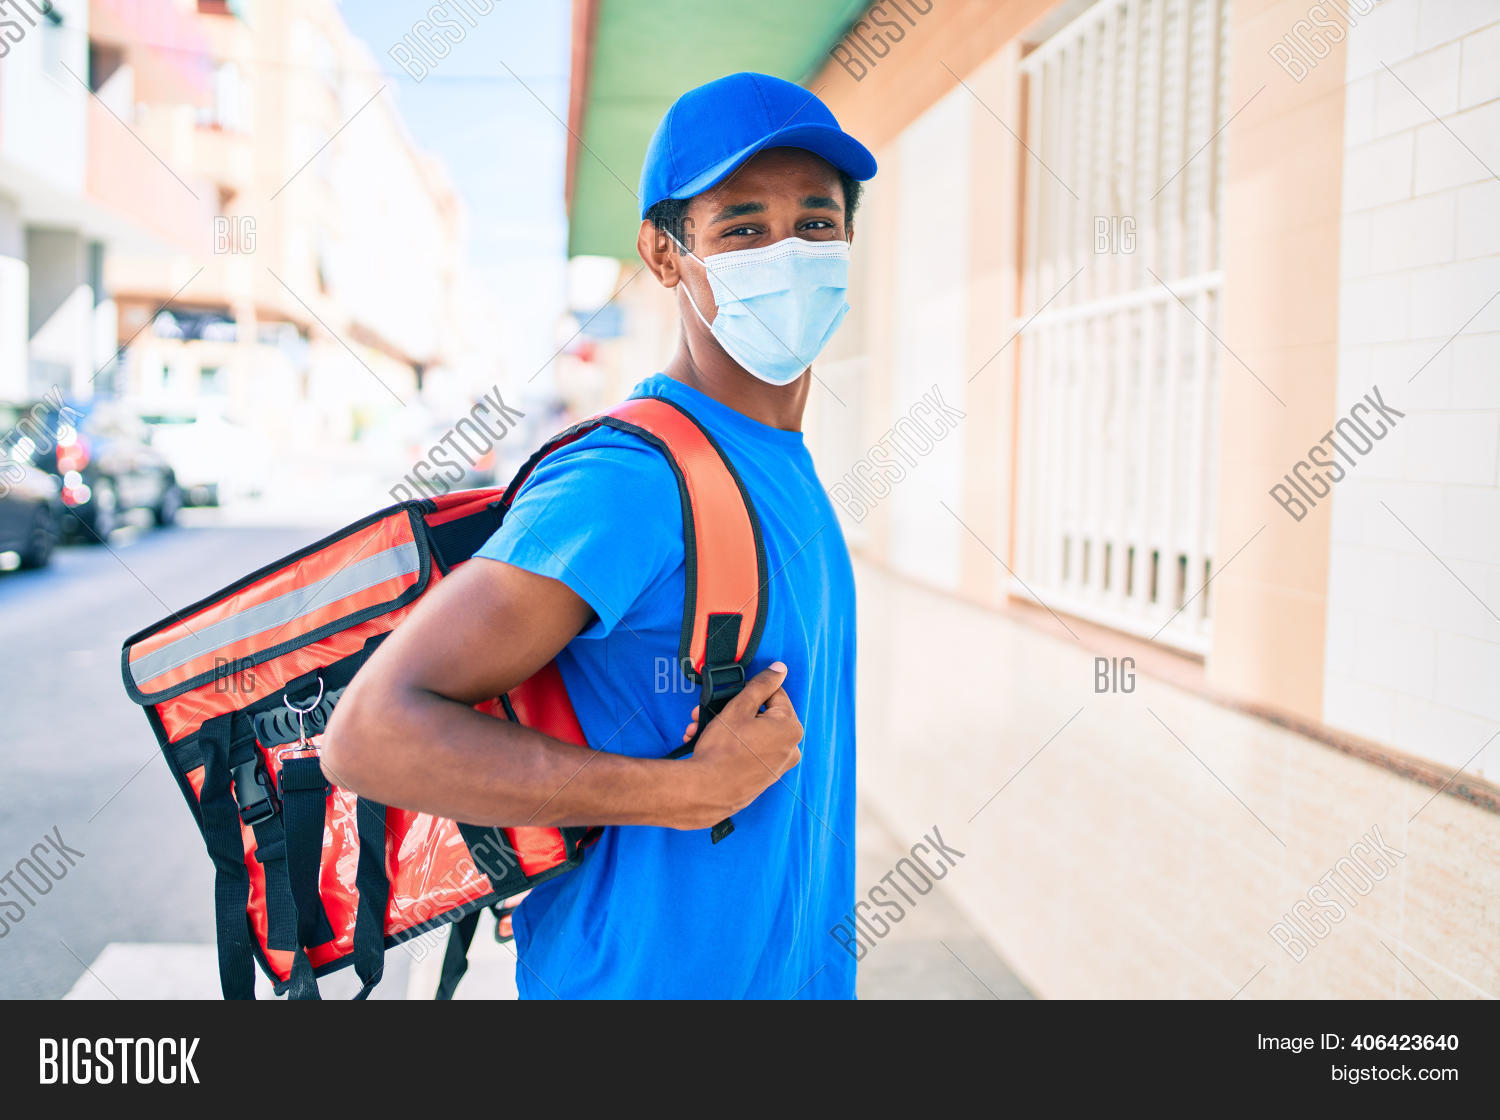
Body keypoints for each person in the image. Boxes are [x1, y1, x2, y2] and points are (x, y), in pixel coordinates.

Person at [323, 71, 876, 999]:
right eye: (742, 228)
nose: (787, 253)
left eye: (815, 224)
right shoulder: (632, 480)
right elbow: (372, 735)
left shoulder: (781, 459)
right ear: (665, 257)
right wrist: (681, 792)